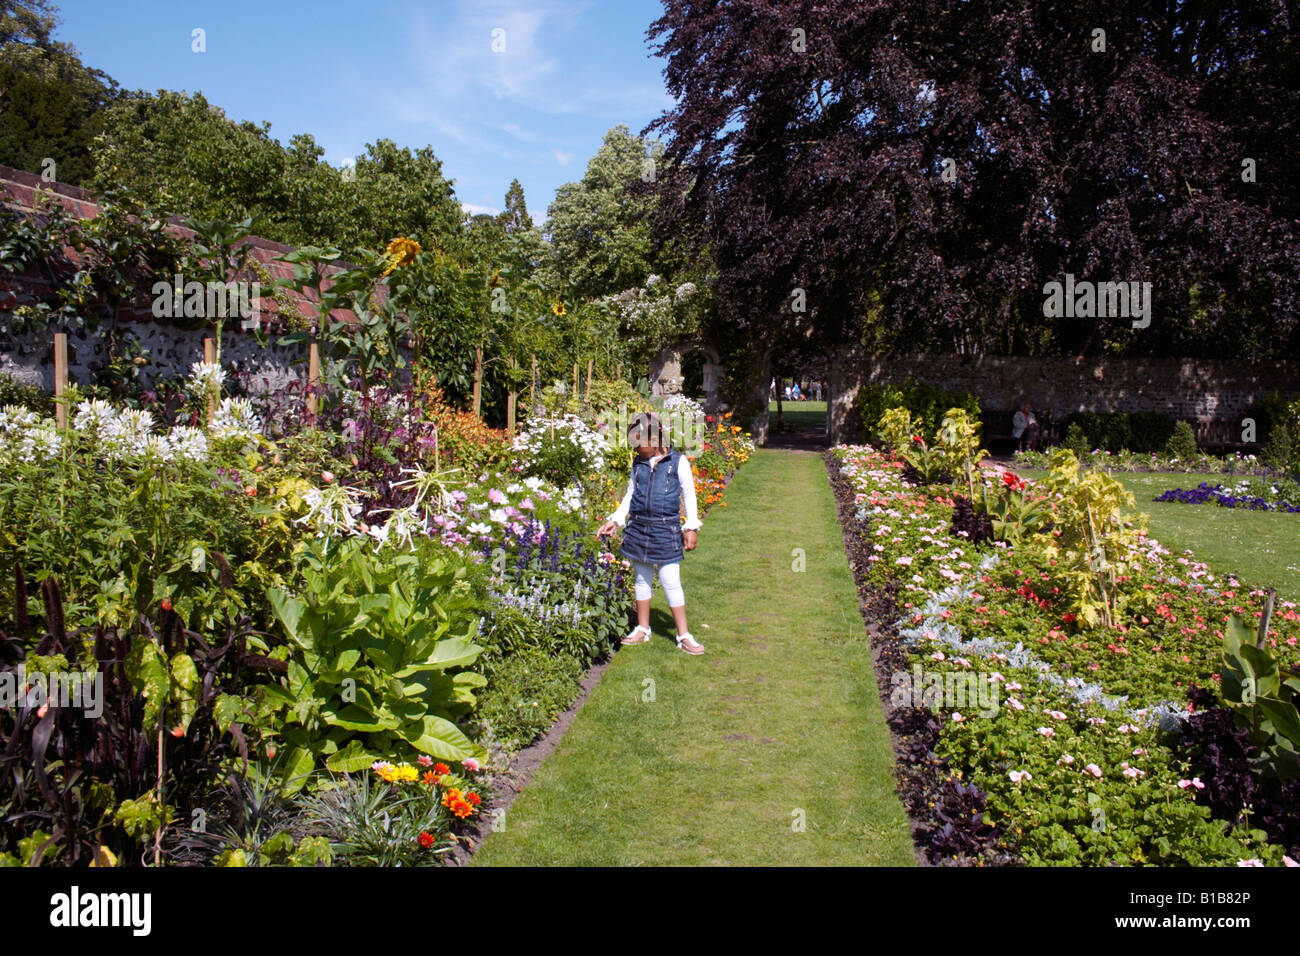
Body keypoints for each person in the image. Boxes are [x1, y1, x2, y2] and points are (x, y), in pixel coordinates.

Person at [597, 413, 705, 655]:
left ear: (654, 438)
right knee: (642, 580)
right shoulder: (638, 463)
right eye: (634, 443)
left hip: (665, 530)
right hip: (638, 528)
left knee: (670, 582)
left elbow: (689, 495)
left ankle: (683, 635)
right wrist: (615, 520)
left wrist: (691, 527)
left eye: (639, 442)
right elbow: (630, 495)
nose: (637, 448)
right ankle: (642, 629)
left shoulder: (678, 461)